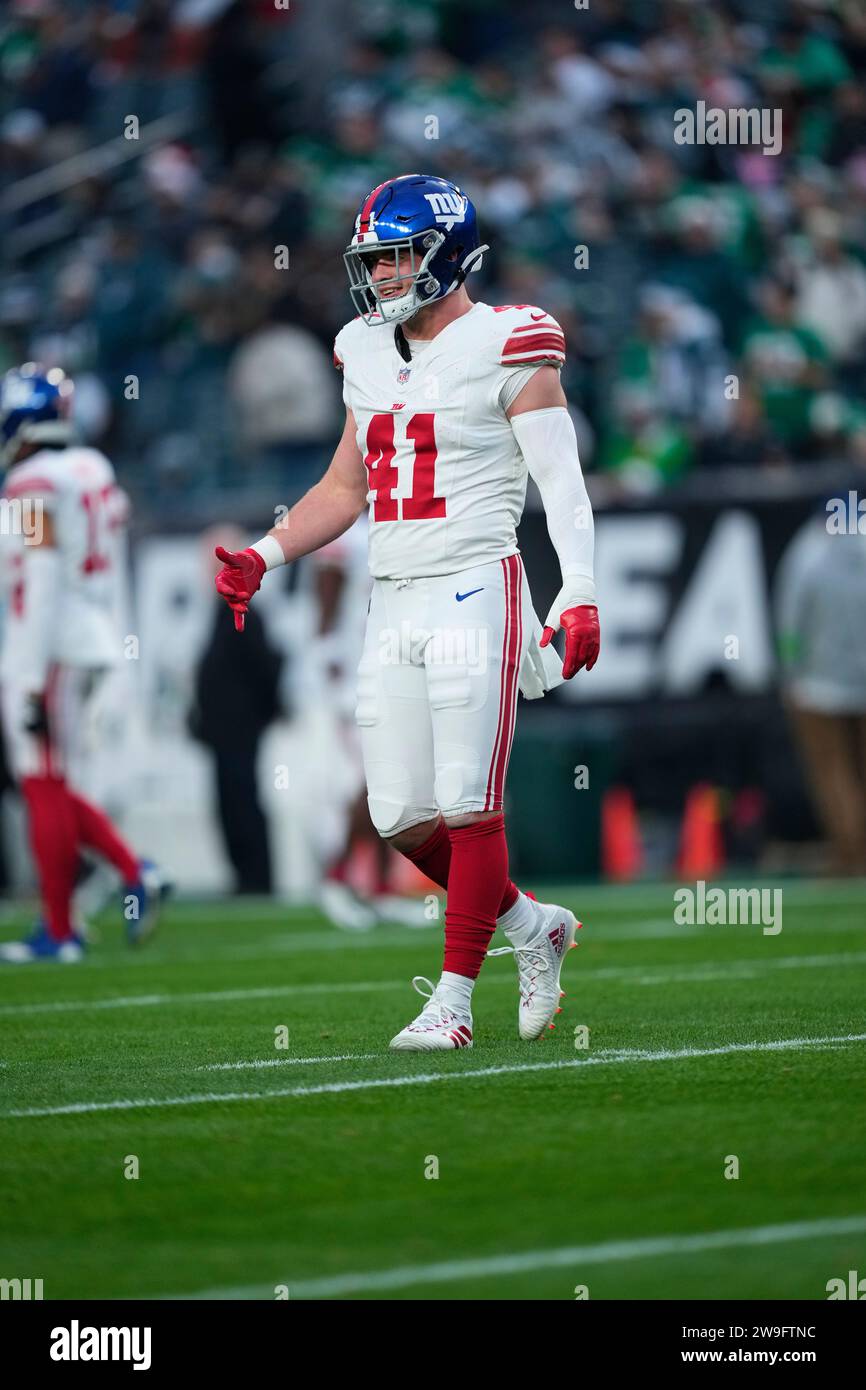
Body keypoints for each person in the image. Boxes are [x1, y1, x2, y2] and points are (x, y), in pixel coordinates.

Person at [215, 174, 600, 1049]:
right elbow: (344, 486)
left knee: (470, 803)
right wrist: (265, 554)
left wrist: (578, 590)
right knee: (398, 816)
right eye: (375, 259)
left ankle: (455, 1003)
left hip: (476, 582)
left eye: (397, 256)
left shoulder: (511, 339)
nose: (383, 274)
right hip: (393, 595)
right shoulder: (361, 346)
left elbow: (562, 488)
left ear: (447, 254)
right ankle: (533, 927)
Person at [0, 365, 166, 962]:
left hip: (50, 645)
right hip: (90, 636)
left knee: (42, 783)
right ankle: (129, 873)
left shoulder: (31, 480)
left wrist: (23, 671)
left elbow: (40, 578)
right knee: (55, 783)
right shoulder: (93, 466)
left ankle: (61, 929)